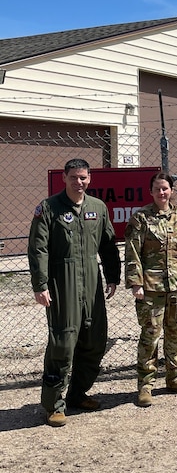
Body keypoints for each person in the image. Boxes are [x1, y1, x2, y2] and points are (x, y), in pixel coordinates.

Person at [28, 158, 121, 427]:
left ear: (89, 179)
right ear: (64, 179)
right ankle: (54, 404)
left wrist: (113, 276)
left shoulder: (97, 207)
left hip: (91, 279)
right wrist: (40, 284)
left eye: (83, 178)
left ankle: (77, 394)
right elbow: (38, 249)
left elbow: (108, 244)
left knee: (94, 338)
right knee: (63, 342)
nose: (78, 182)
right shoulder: (48, 208)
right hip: (62, 281)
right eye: (73, 177)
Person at [124, 171, 177, 407]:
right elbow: (132, 252)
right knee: (150, 336)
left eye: (165, 188)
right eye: (157, 189)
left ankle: (174, 378)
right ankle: (145, 385)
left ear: (171, 190)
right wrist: (136, 283)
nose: (162, 193)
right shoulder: (141, 218)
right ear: (151, 192)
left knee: (175, 332)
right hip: (151, 287)